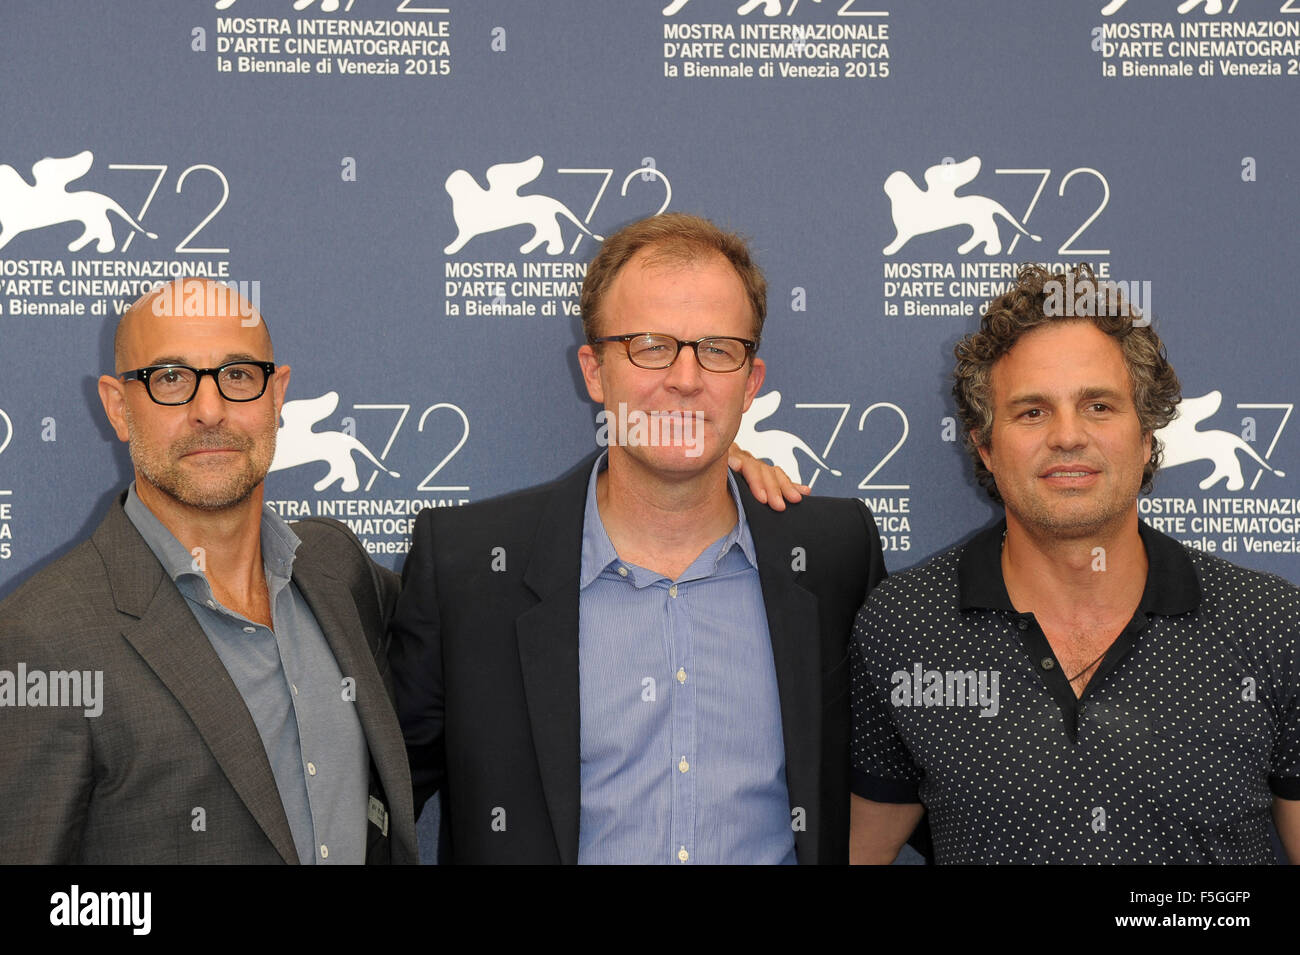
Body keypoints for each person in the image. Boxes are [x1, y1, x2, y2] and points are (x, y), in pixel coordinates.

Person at [390, 212, 886, 864]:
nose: (684, 378)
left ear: (751, 381)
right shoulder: (467, 568)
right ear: (594, 371)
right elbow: (377, 800)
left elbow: (911, 773)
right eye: (651, 345)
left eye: (716, 348)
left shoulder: (831, 554)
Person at [848, 263, 1300, 864]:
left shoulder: (1271, 625)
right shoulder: (905, 625)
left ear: (1147, 436)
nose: (1067, 436)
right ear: (985, 444)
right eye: (1032, 411)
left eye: (1099, 406)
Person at [0, 278, 416, 864]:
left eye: (239, 375)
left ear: (278, 396)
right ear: (119, 408)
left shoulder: (336, 569)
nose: (210, 411)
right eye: (170, 378)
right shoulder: (41, 640)